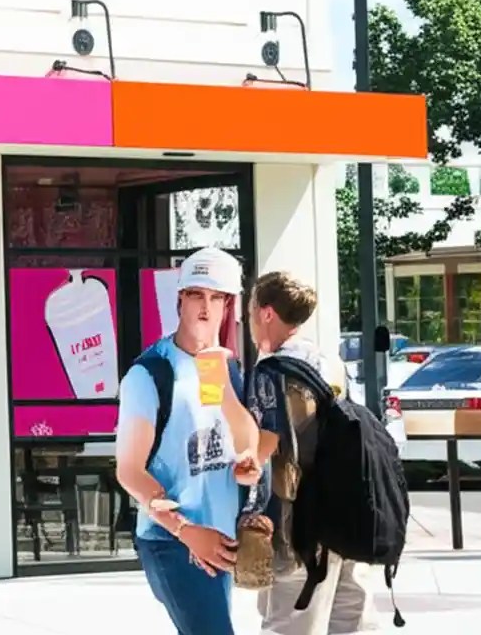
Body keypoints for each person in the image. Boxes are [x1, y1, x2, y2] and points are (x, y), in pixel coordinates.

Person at [114, 247, 266, 635]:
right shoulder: (151, 374)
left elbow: (246, 439)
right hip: (173, 541)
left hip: (220, 534)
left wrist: (247, 461)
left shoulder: (227, 366)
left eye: (217, 298)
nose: (206, 306)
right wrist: (184, 530)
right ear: (180, 298)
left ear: (228, 306)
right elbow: (129, 471)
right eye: (197, 294)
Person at [243, 272, 378, 634]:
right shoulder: (330, 362)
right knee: (349, 623)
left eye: (252, 310)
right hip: (347, 515)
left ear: (267, 313)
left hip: (297, 523)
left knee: (290, 622)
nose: (249, 320)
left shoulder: (271, 372)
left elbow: (265, 445)